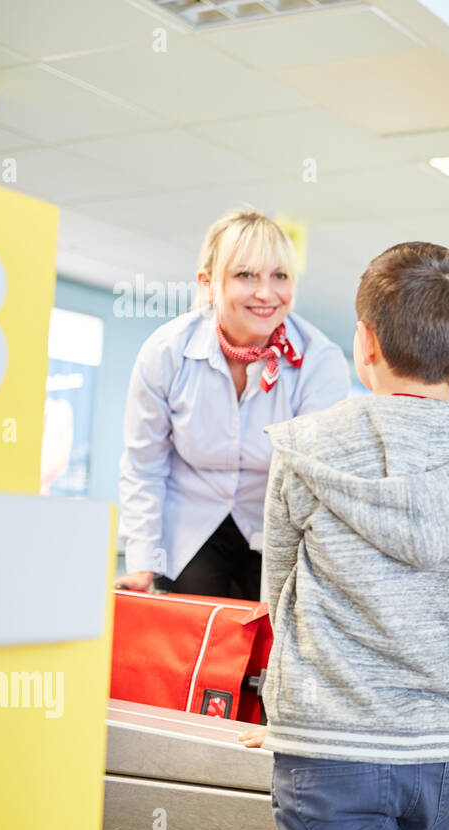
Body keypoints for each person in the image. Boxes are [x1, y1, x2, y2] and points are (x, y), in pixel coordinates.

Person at [239, 241, 449, 830]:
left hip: (327, 744)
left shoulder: (305, 450)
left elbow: (279, 586)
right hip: (444, 749)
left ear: (364, 344)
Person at [115, 207, 348, 600]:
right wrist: (140, 562)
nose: (265, 293)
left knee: (266, 653)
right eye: (245, 275)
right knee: (195, 646)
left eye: (280, 276)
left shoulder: (319, 361)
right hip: (189, 528)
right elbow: (144, 467)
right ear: (208, 284)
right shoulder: (166, 351)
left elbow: (315, 483)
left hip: (276, 528)